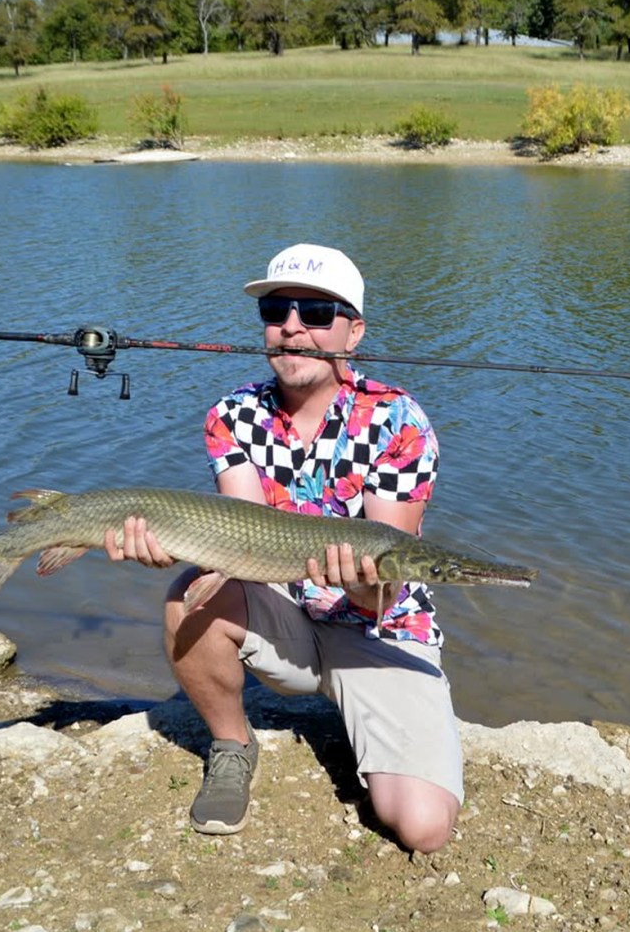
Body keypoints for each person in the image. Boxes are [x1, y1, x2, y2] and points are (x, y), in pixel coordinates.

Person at [103, 243, 461, 854]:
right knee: (187, 596)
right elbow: (237, 546)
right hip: (285, 613)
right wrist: (169, 547)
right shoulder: (233, 415)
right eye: (276, 311)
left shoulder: (399, 421)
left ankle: (370, 721)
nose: (292, 327)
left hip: (379, 628)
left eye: (316, 313)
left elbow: (386, 586)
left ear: (353, 333)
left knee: (423, 828)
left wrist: (361, 585)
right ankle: (232, 745)